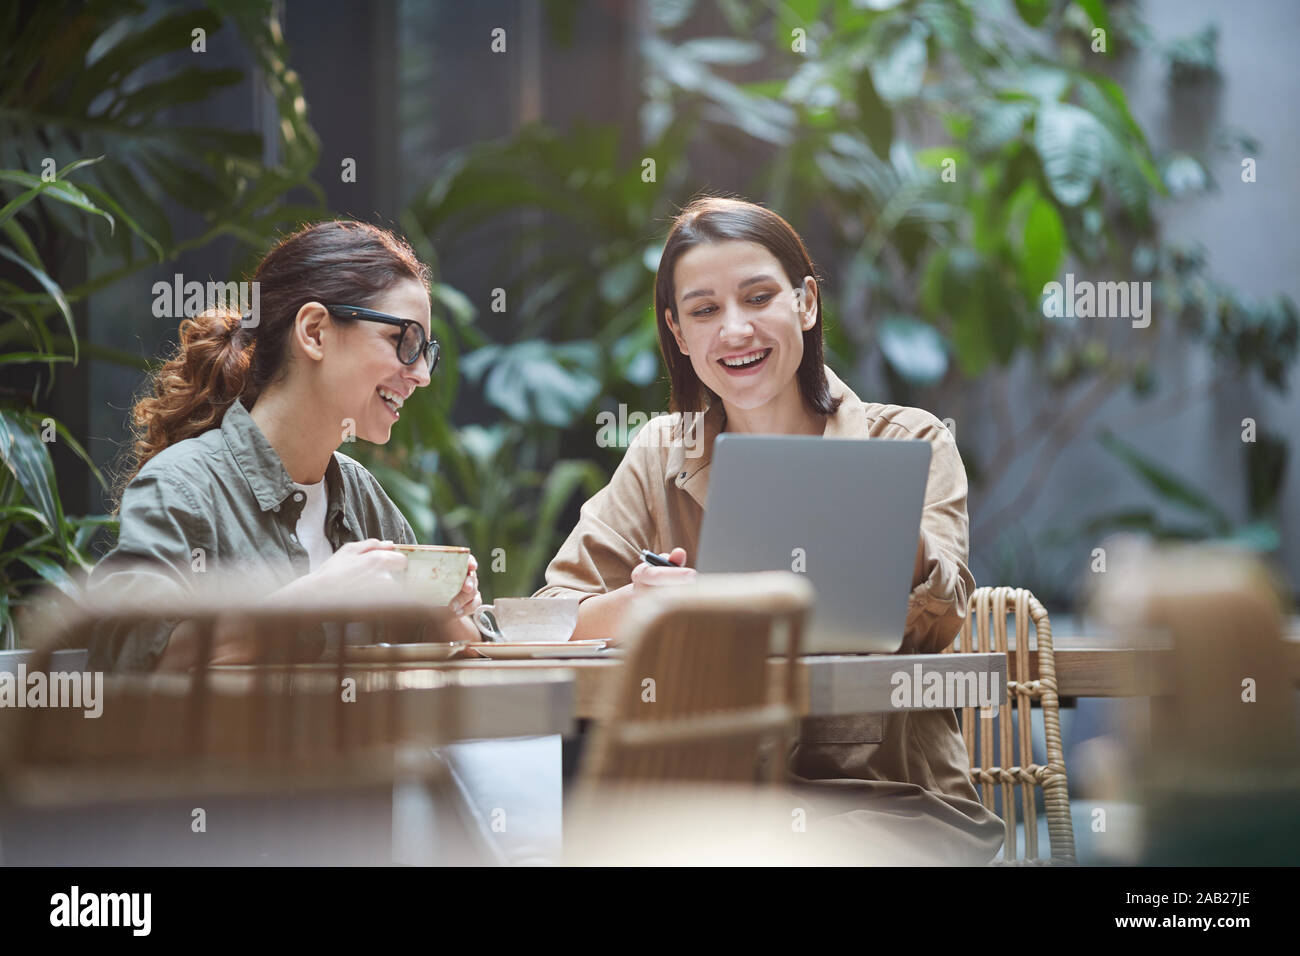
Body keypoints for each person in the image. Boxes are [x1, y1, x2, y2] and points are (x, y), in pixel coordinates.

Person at [535, 196, 1004, 864]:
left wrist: (870, 510)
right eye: (703, 310)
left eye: (758, 298)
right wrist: (644, 606)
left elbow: (941, 614)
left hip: (889, 809)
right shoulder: (660, 455)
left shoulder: (908, 440)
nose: (734, 330)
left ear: (805, 303)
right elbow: (554, 617)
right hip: (707, 817)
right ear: (677, 331)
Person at [87, 220, 481, 672]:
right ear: (314, 331)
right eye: (403, 341)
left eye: (425, 351)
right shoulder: (184, 487)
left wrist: (450, 615)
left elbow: (457, 658)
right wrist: (310, 602)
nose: (421, 375)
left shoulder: (364, 499)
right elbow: (128, 661)